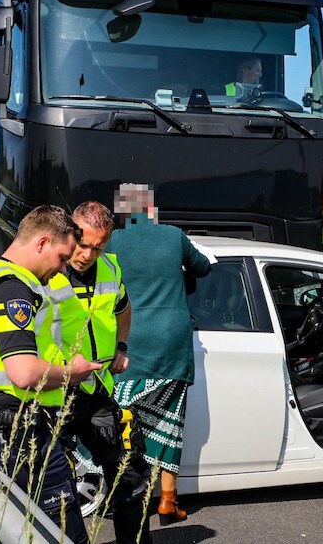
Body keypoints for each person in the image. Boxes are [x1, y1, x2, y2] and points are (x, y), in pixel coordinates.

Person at [0, 205, 101, 543]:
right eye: (62, 257)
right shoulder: (11, 289)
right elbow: (25, 372)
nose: (61, 270)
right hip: (17, 439)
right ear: (42, 242)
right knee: (65, 535)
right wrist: (75, 373)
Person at [44, 201, 152, 543]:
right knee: (54, 487)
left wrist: (121, 348)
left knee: (130, 474)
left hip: (96, 390)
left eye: (98, 246)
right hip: (54, 393)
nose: (88, 254)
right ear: (70, 233)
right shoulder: (47, 272)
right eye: (83, 243)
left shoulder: (110, 270)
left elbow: (123, 308)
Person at [105, 183, 212, 525]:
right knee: (170, 424)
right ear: (151, 209)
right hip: (170, 343)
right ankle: (167, 501)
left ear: (122, 213)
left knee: (121, 424)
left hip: (130, 345)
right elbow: (203, 267)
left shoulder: (113, 241)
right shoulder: (173, 236)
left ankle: (124, 496)